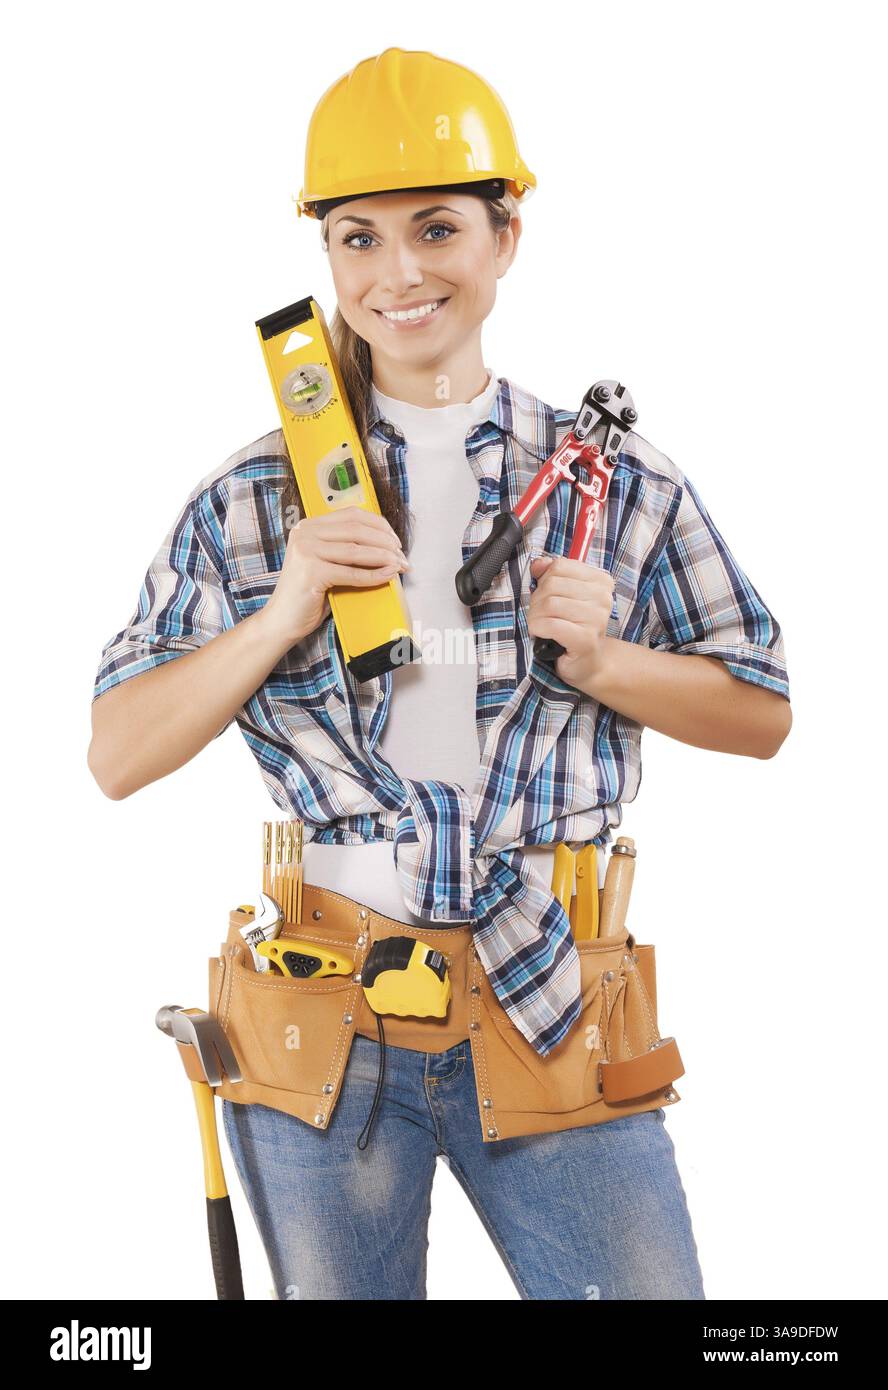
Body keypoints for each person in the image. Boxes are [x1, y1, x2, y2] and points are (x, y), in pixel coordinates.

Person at [88, 47, 792, 1300]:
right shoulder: (256, 497)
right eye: (357, 238)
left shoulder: (612, 481)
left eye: (436, 228)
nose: (399, 274)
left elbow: (763, 715)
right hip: (325, 1021)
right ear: (326, 261)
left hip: (554, 998)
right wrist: (280, 613)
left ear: (506, 234)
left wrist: (610, 660)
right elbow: (118, 755)